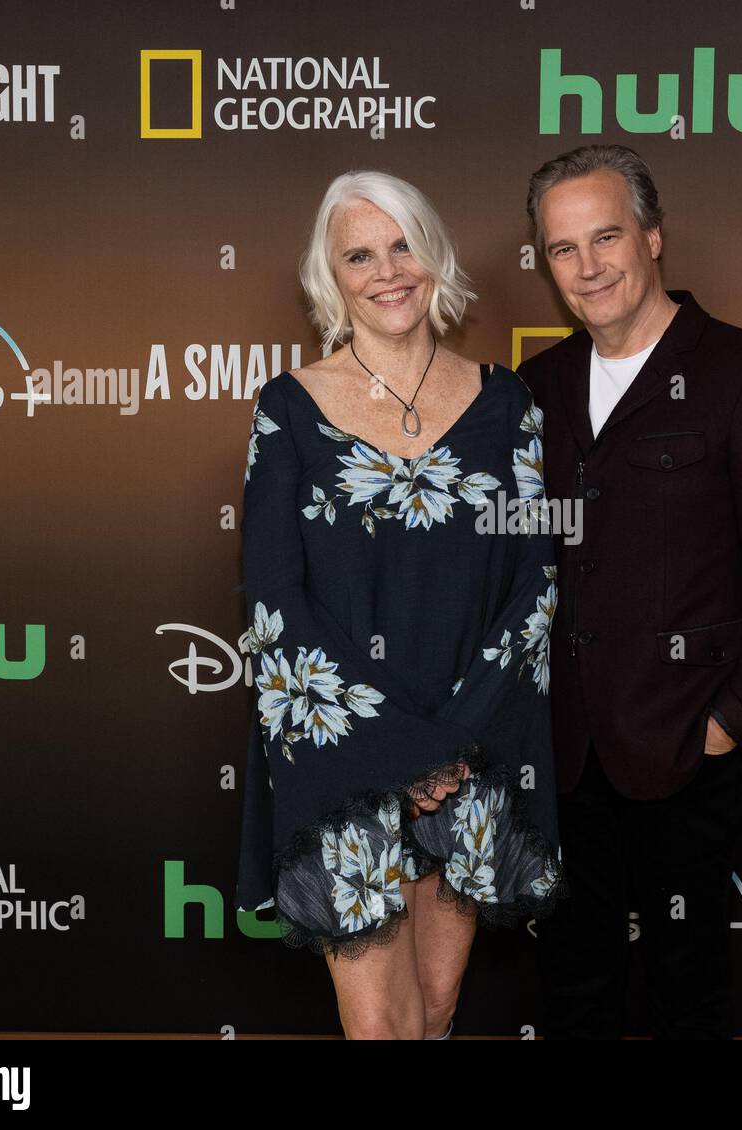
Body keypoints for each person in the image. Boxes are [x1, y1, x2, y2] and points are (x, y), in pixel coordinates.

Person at [517, 143, 742, 1039]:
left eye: (607, 236)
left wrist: (730, 723)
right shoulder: (533, 389)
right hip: (563, 755)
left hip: (686, 754)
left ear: (654, 237)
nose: (589, 267)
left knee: (685, 992)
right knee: (573, 987)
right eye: (563, 249)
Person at [234, 170, 565, 1040]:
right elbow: (274, 602)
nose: (387, 270)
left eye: (402, 244)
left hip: (477, 745)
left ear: (434, 255)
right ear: (330, 278)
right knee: (380, 1024)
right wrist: (403, 753)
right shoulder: (289, 409)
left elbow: (536, 581)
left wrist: (455, 748)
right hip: (344, 756)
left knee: (435, 1009)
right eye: (359, 254)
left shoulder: (509, 406)